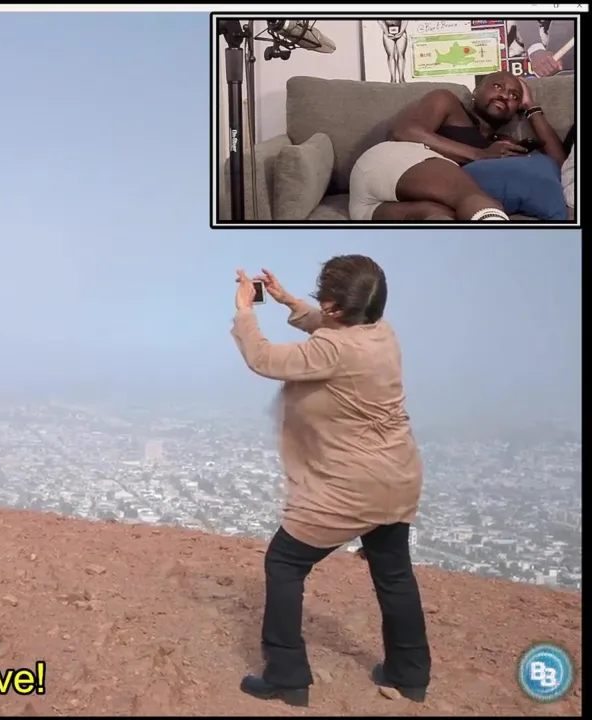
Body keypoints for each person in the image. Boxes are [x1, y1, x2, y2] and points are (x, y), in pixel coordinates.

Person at [229, 258, 431, 708]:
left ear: (337, 308)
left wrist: (245, 310)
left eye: (325, 299)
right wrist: (288, 302)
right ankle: (410, 675)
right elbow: (334, 329)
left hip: (351, 485)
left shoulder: (333, 349)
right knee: (394, 573)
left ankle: (286, 675)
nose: (321, 302)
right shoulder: (382, 332)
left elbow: (264, 358)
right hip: (397, 475)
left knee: (285, 562)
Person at [348, 71, 567, 221]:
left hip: (369, 207)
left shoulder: (501, 144)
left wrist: (531, 107)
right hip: (388, 161)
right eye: (497, 86)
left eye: (514, 96)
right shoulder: (448, 103)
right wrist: (479, 155)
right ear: (476, 91)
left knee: (441, 217)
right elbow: (404, 132)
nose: (504, 95)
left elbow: (561, 166)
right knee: (473, 198)